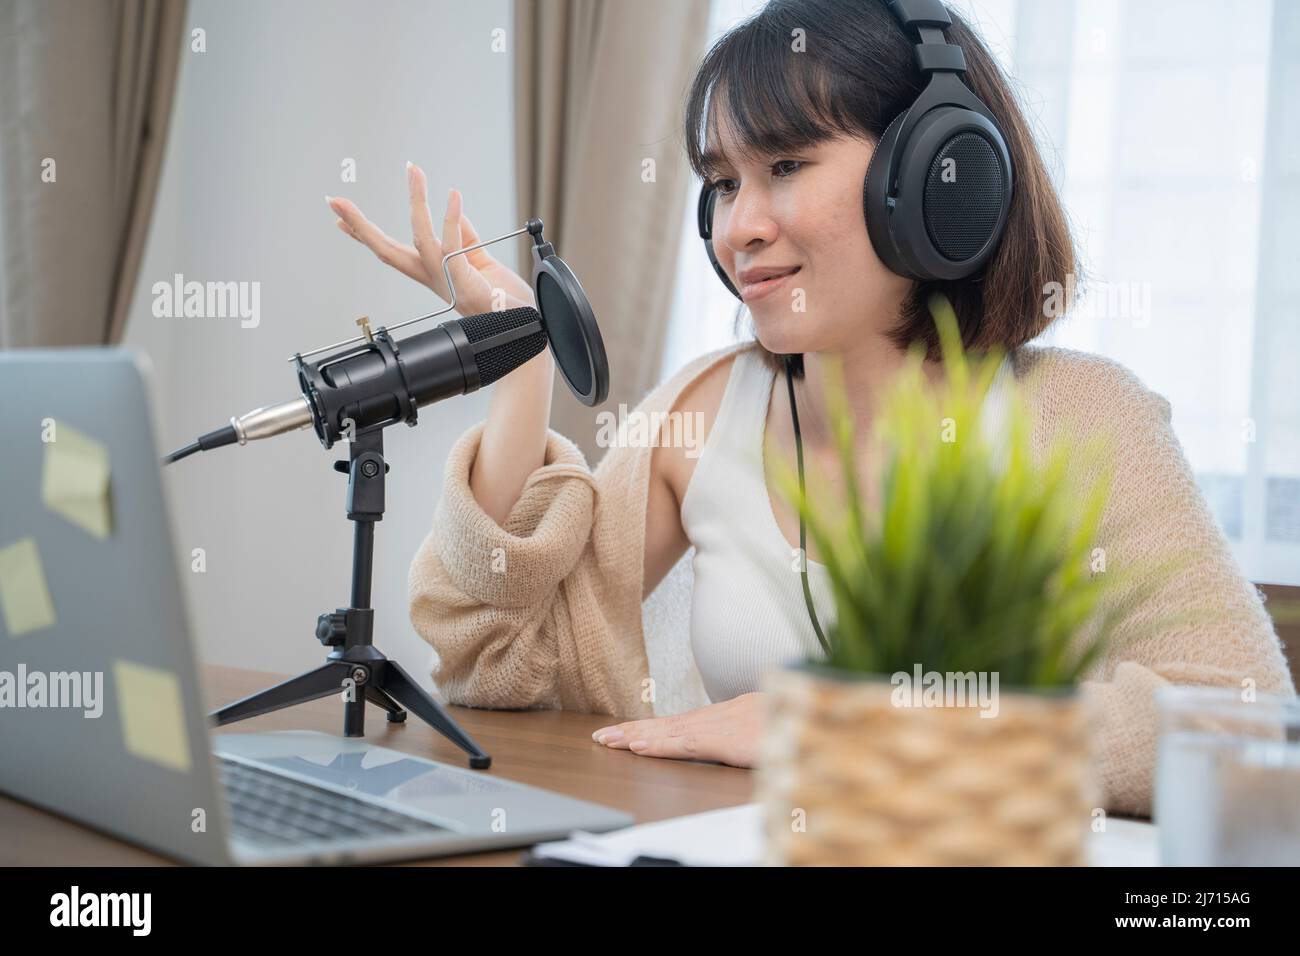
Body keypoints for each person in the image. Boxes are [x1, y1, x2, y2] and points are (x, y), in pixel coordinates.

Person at [325, 0, 1293, 816]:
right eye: (718, 183)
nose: (740, 226)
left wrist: (852, 729)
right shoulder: (703, 408)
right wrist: (518, 360)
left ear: (936, 175)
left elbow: (1236, 731)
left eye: (786, 165)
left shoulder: (1082, 416)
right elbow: (499, 670)